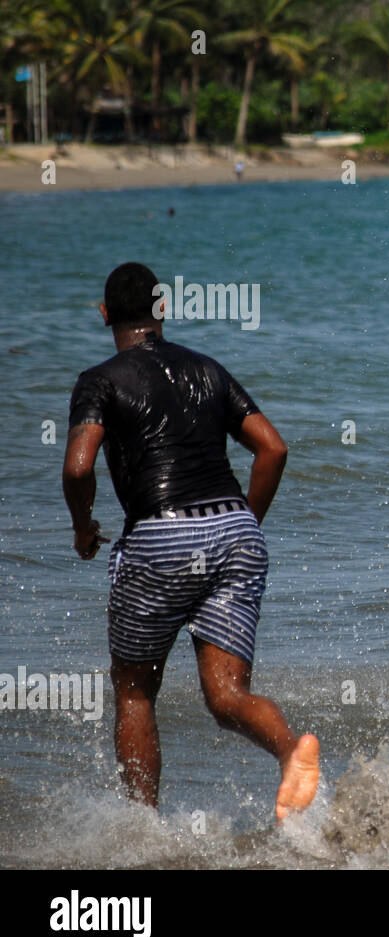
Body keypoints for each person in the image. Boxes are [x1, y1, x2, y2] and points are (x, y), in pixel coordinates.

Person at [62, 262, 319, 820]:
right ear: (162, 310)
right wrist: (242, 523)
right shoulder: (207, 369)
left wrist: (84, 528)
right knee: (226, 697)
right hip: (233, 532)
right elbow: (273, 449)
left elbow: (79, 467)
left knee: (133, 691)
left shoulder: (101, 380)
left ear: (105, 315)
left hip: (158, 535)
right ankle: (290, 751)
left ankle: (143, 827)